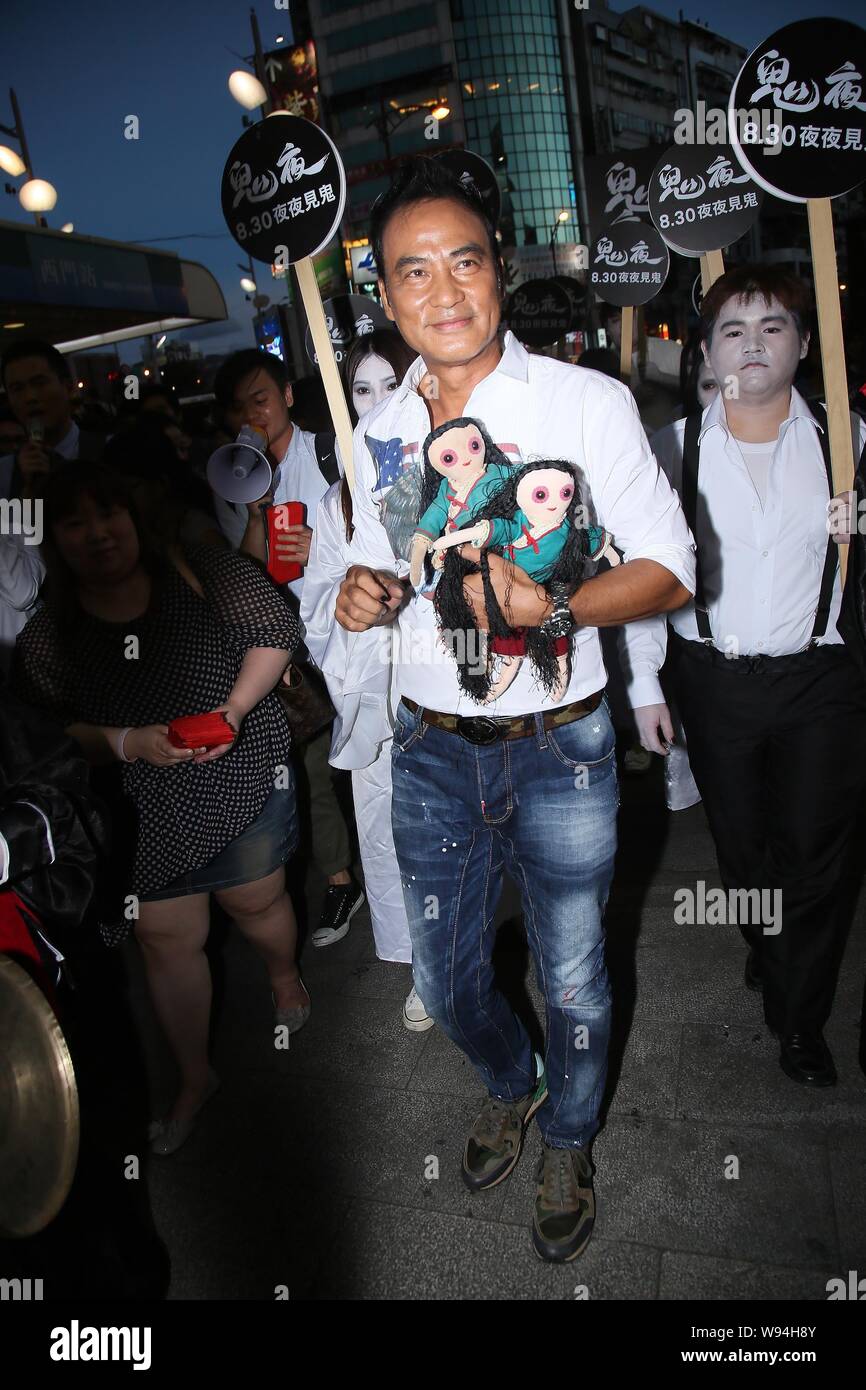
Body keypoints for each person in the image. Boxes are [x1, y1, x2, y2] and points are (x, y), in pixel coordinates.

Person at [334, 156, 694, 1263]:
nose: (443, 292)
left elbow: (672, 571)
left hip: (561, 747)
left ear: (497, 271)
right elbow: (375, 565)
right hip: (433, 750)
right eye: (412, 272)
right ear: (383, 297)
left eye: (465, 261)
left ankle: (570, 1138)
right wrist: (361, 590)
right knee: (443, 983)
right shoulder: (381, 431)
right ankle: (513, 1078)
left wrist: (558, 604)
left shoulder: (581, 402)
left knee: (574, 968)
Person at [13, 464, 307, 1156]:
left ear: (132, 516)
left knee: (257, 907)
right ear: (55, 539)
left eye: (107, 513)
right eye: (75, 522)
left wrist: (231, 711)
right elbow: (43, 731)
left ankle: (283, 975)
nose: (97, 534)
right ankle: (194, 1077)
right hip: (141, 810)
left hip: (234, 777)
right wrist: (124, 742)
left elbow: (275, 630)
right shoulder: (50, 628)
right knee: (167, 943)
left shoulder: (194, 567)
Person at [624, 264, 866, 1088]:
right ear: (706, 352)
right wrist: (647, 687)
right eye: (734, 329)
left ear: (804, 344)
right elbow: (646, 577)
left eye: (773, 327)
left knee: (819, 855)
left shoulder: (850, 440)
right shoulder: (671, 450)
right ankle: (769, 943)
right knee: (740, 854)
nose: (754, 344)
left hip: (822, 680)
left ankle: (801, 1017)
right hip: (714, 681)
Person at [301, 329, 433, 1030]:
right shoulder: (337, 505)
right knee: (389, 832)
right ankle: (422, 966)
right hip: (378, 705)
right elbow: (316, 599)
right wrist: (347, 605)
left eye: (396, 385)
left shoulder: (459, 469)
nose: (382, 403)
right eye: (363, 390)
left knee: (461, 835)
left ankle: (464, 953)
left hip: (451, 697)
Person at [211, 350, 363, 943]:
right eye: (239, 407)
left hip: (347, 633)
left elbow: (372, 538)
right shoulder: (230, 473)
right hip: (285, 651)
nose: (253, 415)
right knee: (310, 768)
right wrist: (253, 513)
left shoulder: (329, 453)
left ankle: (395, 857)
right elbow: (240, 574)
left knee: (374, 755)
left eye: (261, 399)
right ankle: (340, 879)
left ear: (287, 398)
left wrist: (321, 548)